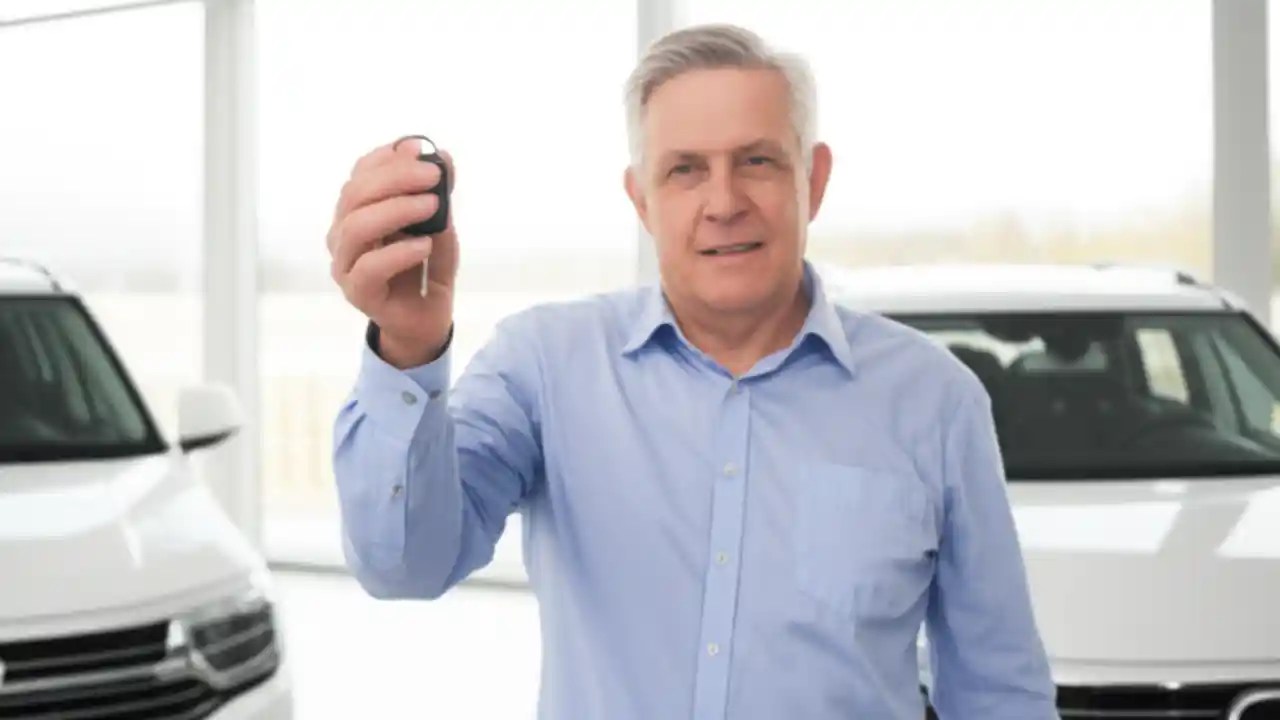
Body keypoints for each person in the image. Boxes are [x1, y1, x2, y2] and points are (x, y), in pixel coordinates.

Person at [326, 22, 1059, 720]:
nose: (724, 203)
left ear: (816, 177)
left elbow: (998, 692)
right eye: (685, 170)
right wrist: (408, 346)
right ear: (642, 199)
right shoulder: (543, 367)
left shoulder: (935, 401)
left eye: (757, 161)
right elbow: (404, 567)